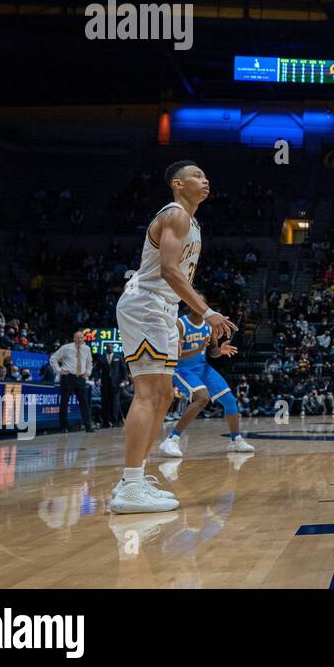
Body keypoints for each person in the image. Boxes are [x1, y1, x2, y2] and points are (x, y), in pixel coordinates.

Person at [111, 160, 237, 514]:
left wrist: (203, 309)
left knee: (165, 393)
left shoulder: (192, 222)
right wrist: (207, 312)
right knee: (149, 392)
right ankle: (130, 486)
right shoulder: (176, 214)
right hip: (147, 304)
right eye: (197, 175)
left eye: (206, 174)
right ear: (177, 185)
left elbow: (178, 276)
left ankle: (132, 480)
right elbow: (167, 270)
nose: (205, 178)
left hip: (162, 308)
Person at [158, 310, 254, 459]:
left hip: (202, 367)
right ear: (191, 305)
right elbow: (175, 354)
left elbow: (212, 352)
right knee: (202, 398)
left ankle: (236, 439)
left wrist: (220, 351)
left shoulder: (209, 326)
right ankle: (171, 439)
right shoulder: (180, 324)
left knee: (229, 400)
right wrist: (197, 349)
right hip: (182, 369)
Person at [48, 330, 93, 433]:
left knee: (84, 403)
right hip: (68, 377)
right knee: (64, 402)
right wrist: (59, 371)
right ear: (74, 338)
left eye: (81, 338)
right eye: (77, 337)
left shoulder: (87, 349)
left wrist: (88, 372)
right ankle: (63, 426)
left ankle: (88, 426)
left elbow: (89, 362)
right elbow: (53, 358)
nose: (79, 339)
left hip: (80, 377)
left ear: (84, 339)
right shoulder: (66, 347)